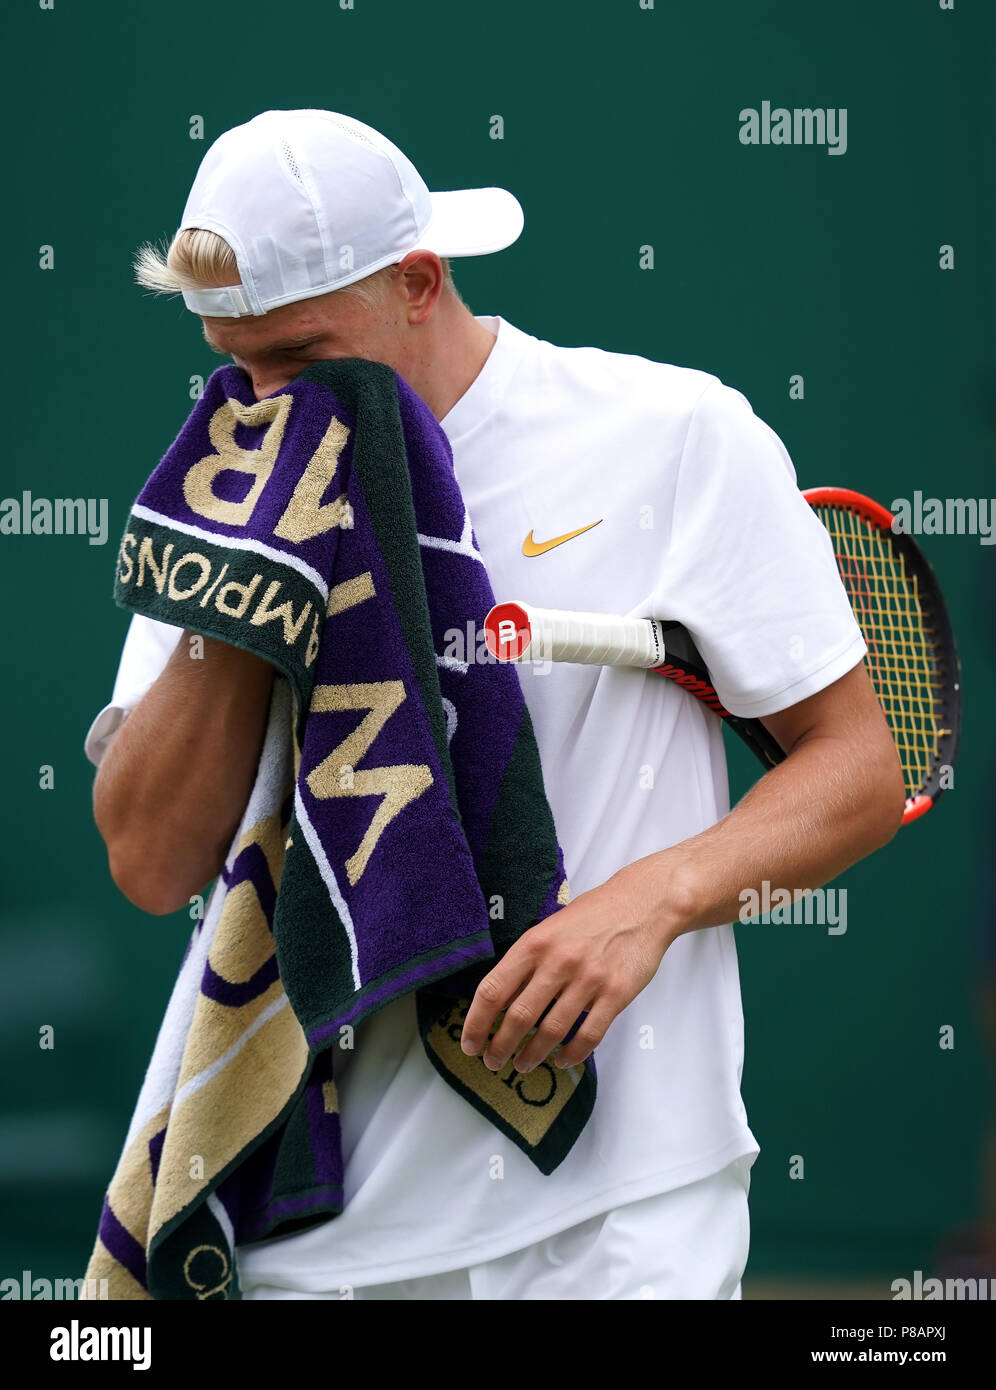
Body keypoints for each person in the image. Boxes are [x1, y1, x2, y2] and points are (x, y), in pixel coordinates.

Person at [85, 108, 905, 1301]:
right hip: (316, 1244)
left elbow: (860, 769)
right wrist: (247, 585)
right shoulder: (224, 484)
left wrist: (652, 900)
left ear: (420, 282)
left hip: (625, 1218)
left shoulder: (673, 434)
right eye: (233, 358)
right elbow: (154, 864)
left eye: (303, 358)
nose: (263, 395)